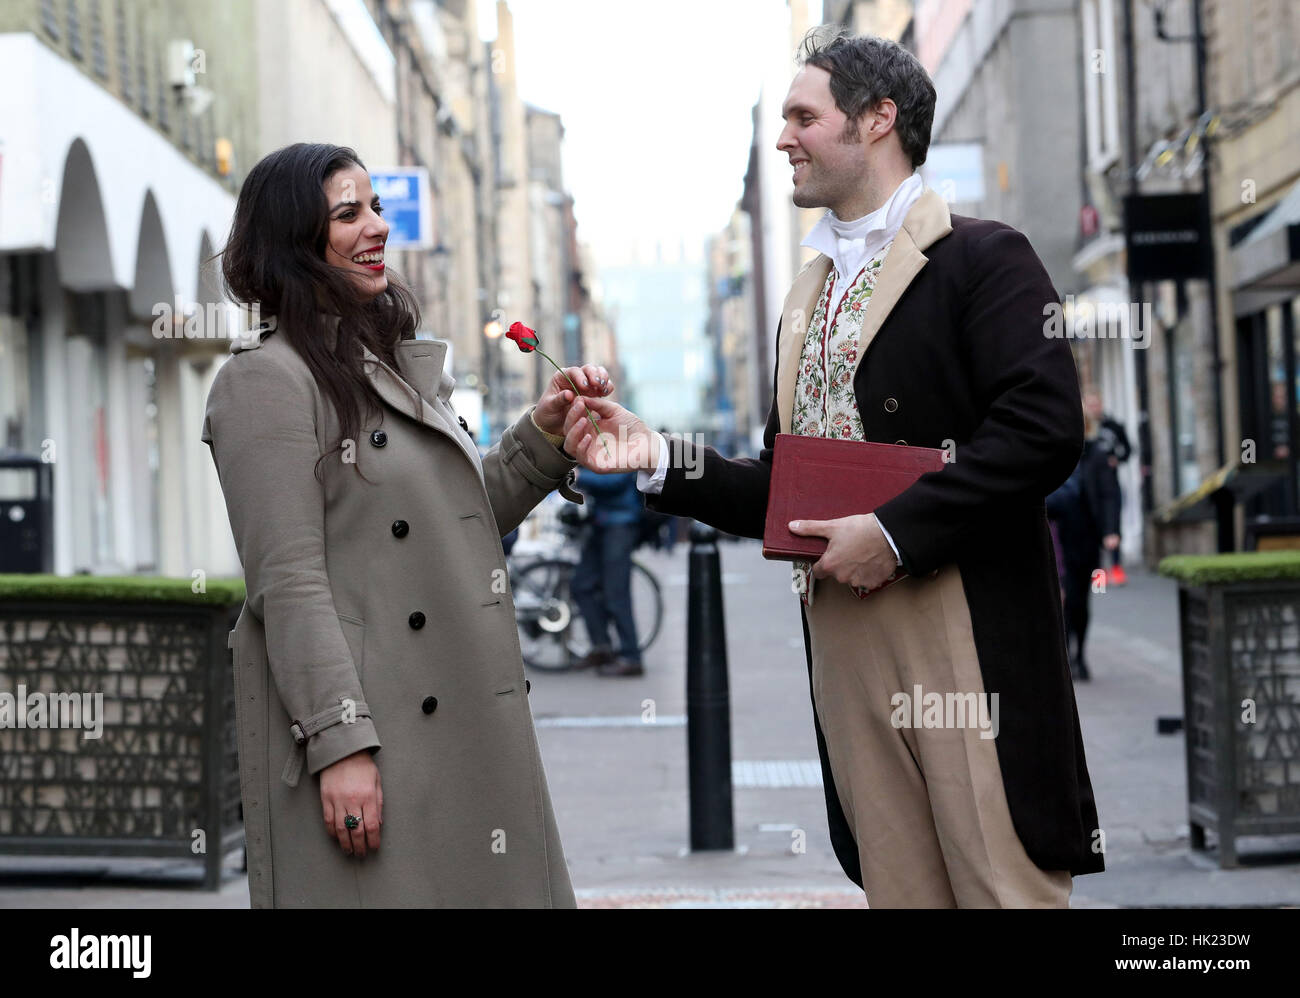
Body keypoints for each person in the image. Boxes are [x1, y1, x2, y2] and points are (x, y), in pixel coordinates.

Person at [560, 30, 1103, 907]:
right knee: (900, 892)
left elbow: (1044, 430)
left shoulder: (983, 257)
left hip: (958, 623)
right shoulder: (808, 294)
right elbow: (788, 487)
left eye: (804, 118)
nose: (785, 140)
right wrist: (657, 454)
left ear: (877, 121)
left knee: (1001, 888)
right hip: (841, 639)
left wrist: (895, 533)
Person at [202, 142, 613, 908]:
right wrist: (339, 745)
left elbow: (451, 525)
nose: (377, 228)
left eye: (378, 207)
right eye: (348, 213)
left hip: (459, 724)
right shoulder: (265, 381)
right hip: (379, 737)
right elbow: (287, 583)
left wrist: (544, 434)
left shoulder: (377, 360)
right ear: (293, 239)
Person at [1048, 426, 1121, 682]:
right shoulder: (1051, 453)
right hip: (1059, 539)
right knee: (1066, 598)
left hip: (1088, 538)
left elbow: (1110, 494)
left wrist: (1111, 530)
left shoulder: (1096, 456)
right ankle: (1066, 655)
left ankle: (1079, 654)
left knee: (1082, 600)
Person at [569, 468, 644, 676]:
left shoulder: (621, 439)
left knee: (616, 593)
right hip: (601, 521)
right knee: (581, 585)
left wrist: (581, 476)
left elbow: (617, 480)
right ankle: (602, 647)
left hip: (621, 523)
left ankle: (631, 658)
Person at [1085, 392, 1130, 586]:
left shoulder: (1113, 426)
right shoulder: (1083, 435)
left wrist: (1116, 460)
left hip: (1109, 481)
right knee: (1094, 531)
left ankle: (1117, 568)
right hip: (1089, 490)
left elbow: (1127, 449)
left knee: (1113, 527)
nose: (1094, 408)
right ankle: (1099, 576)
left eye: (1097, 404)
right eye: (1090, 404)